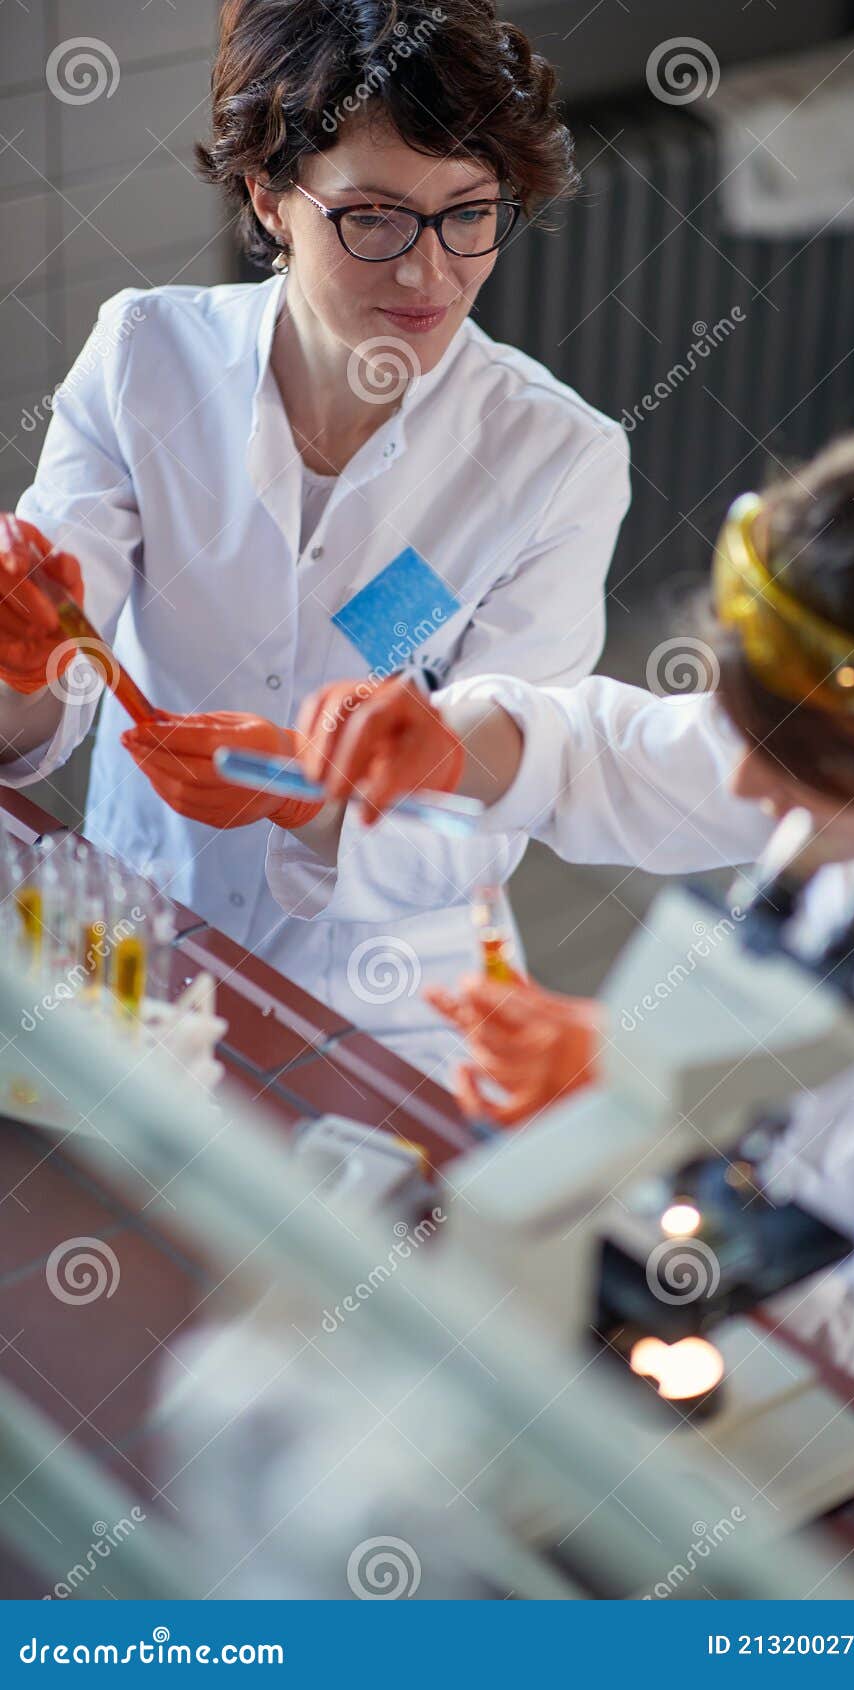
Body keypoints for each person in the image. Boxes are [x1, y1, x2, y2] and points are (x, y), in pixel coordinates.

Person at [296, 355, 854, 1520]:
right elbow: (625, 756)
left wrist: (641, 1119)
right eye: (743, 736)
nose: (744, 792)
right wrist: (453, 743)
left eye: (792, 780)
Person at [0, 0, 629, 1079]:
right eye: (373, 218)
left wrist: (311, 805)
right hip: (148, 929)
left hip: (386, 992)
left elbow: (490, 809)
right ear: (269, 195)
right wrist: (20, 658)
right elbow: (45, 703)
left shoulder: (555, 457)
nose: (427, 274)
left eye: (468, 214)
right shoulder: (148, 357)